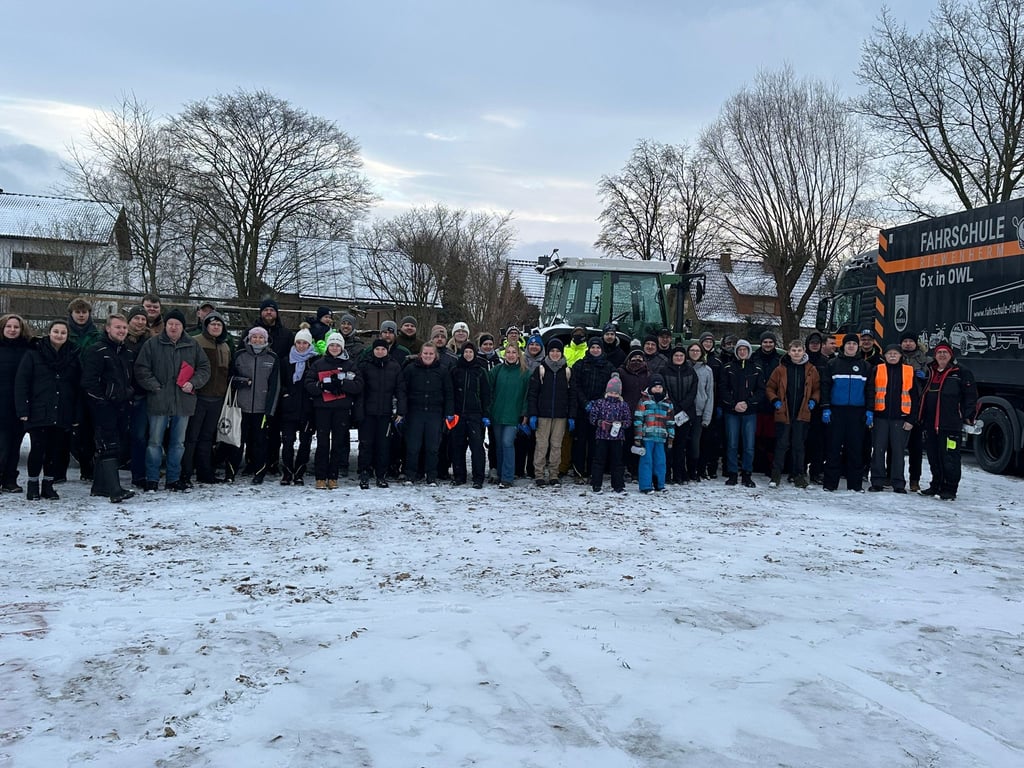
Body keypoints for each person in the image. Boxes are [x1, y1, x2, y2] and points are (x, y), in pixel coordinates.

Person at [133, 308, 212, 492]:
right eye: (170, 324)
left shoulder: (193, 345)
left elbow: (204, 368)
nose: (173, 327)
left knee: (178, 443)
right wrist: (154, 386)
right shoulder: (152, 344)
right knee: (154, 442)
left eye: (177, 324)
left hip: (183, 402)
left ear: (183, 327)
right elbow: (141, 368)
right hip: (158, 401)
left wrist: (193, 383)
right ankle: (152, 478)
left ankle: (173, 478)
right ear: (165, 325)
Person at [14, 320, 81, 500]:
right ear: (49, 332)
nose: (59, 335)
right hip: (38, 409)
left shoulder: (73, 356)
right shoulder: (33, 354)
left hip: (62, 410)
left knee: (55, 450)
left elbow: (77, 387)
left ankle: (48, 485)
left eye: (63, 333)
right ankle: (33, 484)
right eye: (56, 332)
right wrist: (23, 409)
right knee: (37, 448)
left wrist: (76, 413)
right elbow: (22, 383)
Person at [79, 313, 136, 503]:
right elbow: (88, 381)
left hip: (121, 405)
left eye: (124, 328)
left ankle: (99, 487)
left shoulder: (126, 353)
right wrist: (101, 401)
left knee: (113, 444)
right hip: (102, 406)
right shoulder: (97, 350)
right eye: (117, 327)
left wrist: (128, 394)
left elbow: (128, 379)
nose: (121, 331)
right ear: (108, 328)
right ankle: (114, 489)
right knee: (108, 445)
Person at [918, 342, 977, 500]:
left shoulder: (961, 372)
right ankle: (935, 484)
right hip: (930, 424)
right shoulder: (930, 371)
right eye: (939, 352)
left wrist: (968, 415)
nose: (942, 355)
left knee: (950, 457)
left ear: (951, 355)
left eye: (945, 352)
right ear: (935, 355)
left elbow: (970, 396)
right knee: (933, 456)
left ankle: (950, 489)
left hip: (950, 424)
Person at [305, 332, 363, 489]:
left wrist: (343, 383)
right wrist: (322, 386)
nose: (335, 348)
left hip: (342, 409)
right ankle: (320, 476)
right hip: (323, 409)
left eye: (338, 345)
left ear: (342, 347)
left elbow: (358, 385)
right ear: (328, 347)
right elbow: (308, 384)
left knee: (338, 443)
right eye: (332, 345)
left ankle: (333, 476)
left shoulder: (350, 364)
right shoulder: (318, 364)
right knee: (322, 443)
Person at [182, 311, 232, 485]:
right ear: (206, 325)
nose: (216, 327)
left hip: (217, 398)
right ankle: (186, 473)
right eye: (212, 324)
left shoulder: (225, 346)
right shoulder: (196, 342)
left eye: (219, 324)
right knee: (191, 437)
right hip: (199, 397)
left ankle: (205, 473)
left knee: (207, 438)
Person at [820, 333, 872, 493]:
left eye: (854, 344)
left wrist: (870, 410)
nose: (851, 346)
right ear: (844, 346)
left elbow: (870, 390)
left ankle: (855, 485)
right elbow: (825, 386)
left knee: (855, 449)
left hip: (857, 413)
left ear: (858, 347)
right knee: (833, 448)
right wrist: (826, 407)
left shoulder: (865, 366)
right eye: (848, 343)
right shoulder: (833, 364)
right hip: (837, 411)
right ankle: (830, 484)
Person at [765, 339, 821, 489]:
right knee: (781, 445)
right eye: (793, 350)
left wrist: (813, 401)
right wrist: (775, 400)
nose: (796, 353)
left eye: (799, 350)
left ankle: (799, 476)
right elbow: (770, 387)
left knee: (799, 446)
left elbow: (817, 389)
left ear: (804, 352)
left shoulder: (811, 369)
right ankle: (775, 475)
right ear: (789, 352)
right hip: (784, 412)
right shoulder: (780, 369)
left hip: (802, 413)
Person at [229, 327, 281, 484]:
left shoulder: (272, 357)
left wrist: (270, 410)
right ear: (248, 339)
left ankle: (260, 472)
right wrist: (241, 381)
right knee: (237, 441)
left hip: (261, 409)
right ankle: (230, 471)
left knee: (260, 442)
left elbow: (275, 386)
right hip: (240, 407)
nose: (257, 340)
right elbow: (230, 378)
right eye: (254, 337)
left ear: (266, 340)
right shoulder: (239, 355)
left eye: (261, 338)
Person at [396, 342, 452, 487]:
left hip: (435, 413)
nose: (428, 356)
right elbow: (402, 390)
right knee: (413, 446)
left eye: (431, 354)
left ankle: (431, 476)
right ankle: (410, 474)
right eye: (425, 353)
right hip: (415, 412)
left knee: (432, 447)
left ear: (436, 355)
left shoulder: (443, 371)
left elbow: (448, 393)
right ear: (420, 354)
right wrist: (402, 411)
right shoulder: (410, 369)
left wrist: (449, 412)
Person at [869, 344, 919, 493]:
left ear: (900, 356)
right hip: (880, 417)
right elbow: (871, 392)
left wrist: (911, 419)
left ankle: (898, 483)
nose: (892, 356)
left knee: (898, 453)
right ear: (884, 356)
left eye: (895, 354)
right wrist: (870, 413)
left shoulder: (909, 371)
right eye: (889, 353)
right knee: (878, 450)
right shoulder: (877, 369)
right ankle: (877, 481)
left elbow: (915, 397)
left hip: (901, 418)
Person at [355, 337, 402, 489]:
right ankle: (364, 472)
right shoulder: (365, 366)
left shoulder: (394, 366)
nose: (380, 352)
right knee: (366, 444)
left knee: (383, 445)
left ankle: (381, 474)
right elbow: (359, 391)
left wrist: (400, 410)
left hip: (386, 413)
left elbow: (400, 390)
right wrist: (359, 411)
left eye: (383, 349)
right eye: (377, 349)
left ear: (387, 350)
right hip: (368, 412)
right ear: (373, 350)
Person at [255, 298, 294, 474]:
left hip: (278, 387)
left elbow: (290, 362)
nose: (269, 313)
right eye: (266, 310)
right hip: (256, 386)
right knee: (256, 429)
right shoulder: (252, 332)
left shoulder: (286, 335)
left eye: (272, 310)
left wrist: (285, 387)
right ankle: (254, 461)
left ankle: (272, 461)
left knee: (275, 427)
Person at [568, 337, 615, 483]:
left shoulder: (608, 366)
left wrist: (600, 402)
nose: (595, 350)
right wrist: (585, 403)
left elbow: (611, 387)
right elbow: (575, 386)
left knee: (596, 443)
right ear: (589, 349)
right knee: (580, 442)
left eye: (598, 348)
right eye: (593, 347)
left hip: (600, 410)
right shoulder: (580, 365)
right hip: (582, 410)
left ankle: (593, 472)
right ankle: (578, 472)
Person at [719, 339, 764, 487]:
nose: (742, 352)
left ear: (749, 351)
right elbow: (723, 389)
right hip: (732, 411)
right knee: (732, 443)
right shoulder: (728, 367)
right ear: (736, 352)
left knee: (749, 445)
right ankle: (732, 473)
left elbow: (760, 390)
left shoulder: (756, 368)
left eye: (745, 349)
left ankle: (747, 474)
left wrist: (748, 403)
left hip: (749, 411)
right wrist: (733, 404)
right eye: (740, 350)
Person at [527, 338, 571, 486]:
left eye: (558, 351)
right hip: (543, 414)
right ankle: (539, 474)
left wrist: (571, 415)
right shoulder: (540, 369)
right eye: (552, 350)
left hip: (560, 415)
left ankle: (554, 474)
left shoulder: (567, 371)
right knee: (541, 445)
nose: (555, 353)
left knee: (556, 446)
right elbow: (533, 394)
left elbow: (572, 395)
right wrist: (533, 413)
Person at [65, 297, 100, 482]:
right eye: (77, 312)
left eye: (84, 312)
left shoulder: (96, 335)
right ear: (71, 314)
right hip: (68, 387)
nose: (81, 315)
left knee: (88, 428)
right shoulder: (65, 333)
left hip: (89, 387)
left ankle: (88, 467)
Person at [487, 344, 530, 488]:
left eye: (514, 352)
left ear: (518, 355)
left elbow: (527, 395)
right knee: (499, 445)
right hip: (497, 414)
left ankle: (507, 477)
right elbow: (489, 390)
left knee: (507, 443)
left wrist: (524, 413)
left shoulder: (525, 373)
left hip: (513, 416)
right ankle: (500, 473)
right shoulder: (497, 371)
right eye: (508, 352)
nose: (511, 355)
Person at [449, 341, 490, 489]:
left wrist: (485, 413)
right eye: (465, 352)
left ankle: (478, 478)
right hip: (458, 414)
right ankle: (459, 476)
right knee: (457, 446)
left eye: (470, 352)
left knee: (477, 447)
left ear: (474, 354)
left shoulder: (480, 371)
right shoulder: (455, 370)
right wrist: (451, 412)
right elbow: (450, 393)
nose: (468, 355)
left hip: (475, 414)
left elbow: (486, 394)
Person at [279, 327, 317, 486]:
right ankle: (287, 472)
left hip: (308, 408)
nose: (301, 346)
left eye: (305, 343)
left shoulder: (315, 361)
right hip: (289, 407)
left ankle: (300, 471)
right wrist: (285, 395)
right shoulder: (285, 360)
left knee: (305, 441)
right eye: (299, 343)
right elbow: (279, 382)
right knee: (287, 441)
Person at [0, 314, 32, 493]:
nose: (12, 330)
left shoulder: (28, 349)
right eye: (9, 327)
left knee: (15, 444)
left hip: (19, 404)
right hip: (1, 403)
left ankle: (10, 480)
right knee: (2, 444)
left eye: (16, 327)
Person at [588, 372, 631, 493]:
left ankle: (618, 485)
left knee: (617, 462)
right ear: (607, 391)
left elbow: (628, 420)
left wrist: (621, 424)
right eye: (611, 392)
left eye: (616, 393)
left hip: (617, 438)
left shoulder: (623, 405)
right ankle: (596, 484)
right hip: (602, 436)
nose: (613, 395)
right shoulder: (600, 403)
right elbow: (592, 418)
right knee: (598, 460)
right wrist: (600, 423)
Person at [633, 373, 675, 493]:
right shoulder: (644, 401)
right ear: (650, 387)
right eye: (655, 387)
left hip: (661, 437)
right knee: (646, 461)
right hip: (647, 437)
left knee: (660, 461)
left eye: (660, 387)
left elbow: (670, 421)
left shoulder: (667, 403)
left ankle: (659, 484)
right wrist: (638, 436)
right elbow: (638, 419)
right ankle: (646, 486)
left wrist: (671, 436)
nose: (657, 389)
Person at [900, 331, 929, 492]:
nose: (908, 344)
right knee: (895, 447)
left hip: (918, 406)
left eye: (911, 341)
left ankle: (914, 479)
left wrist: (924, 377)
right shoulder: (895, 357)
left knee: (916, 448)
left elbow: (932, 380)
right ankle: (893, 476)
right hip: (899, 407)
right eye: (905, 341)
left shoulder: (926, 360)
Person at [663, 345, 696, 483]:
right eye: (676, 355)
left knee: (681, 446)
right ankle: (666, 474)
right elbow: (664, 389)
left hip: (685, 414)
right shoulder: (664, 371)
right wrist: (674, 406)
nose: (679, 358)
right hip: (669, 413)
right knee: (668, 445)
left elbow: (693, 391)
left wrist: (683, 406)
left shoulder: (691, 372)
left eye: (681, 356)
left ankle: (679, 474)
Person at [687, 341, 715, 482]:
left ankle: (694, 471)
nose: (695, 353)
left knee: (695, 444)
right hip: (684, 411)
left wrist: (707, 417)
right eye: (692, 350)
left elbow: (710, 395)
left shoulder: (707, 371)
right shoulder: (683, 367)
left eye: (697, 351)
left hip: (699, 411)